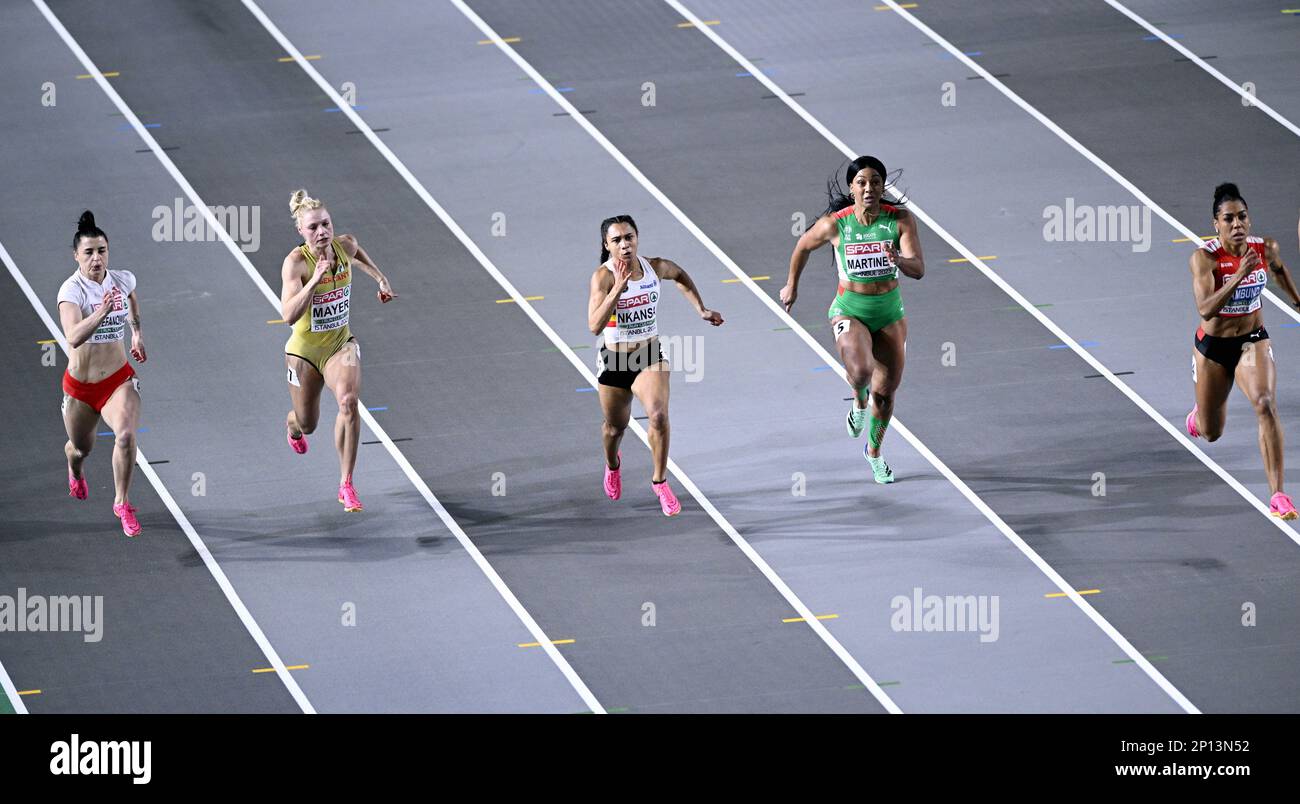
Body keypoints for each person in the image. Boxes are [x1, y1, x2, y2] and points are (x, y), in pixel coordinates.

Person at [781, 156, 925, 483]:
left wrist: (899, 260)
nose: (869, 187)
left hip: (889, 312)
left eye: (875, 181)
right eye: (862, 182)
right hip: (850, 309)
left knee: (887, 393)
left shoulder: (899, 220)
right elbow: (802, 246)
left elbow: (919, 269)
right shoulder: (837, 223)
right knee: (860, 371)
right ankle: (859, 401)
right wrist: (792, 285)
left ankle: (873, 452)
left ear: (883, 186)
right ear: (852, 187)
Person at [587, 214, 723, 516]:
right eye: (617, 240)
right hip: (614, 361)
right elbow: (594, 325)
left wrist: (700, 308)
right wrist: (617, 290)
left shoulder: (654, 267)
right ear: (606, 246)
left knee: (659, 416)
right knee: (614, 428)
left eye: (629, 237)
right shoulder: (603, 277)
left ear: (637, 239)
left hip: (649, 355)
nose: (625, 245)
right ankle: (612, 465)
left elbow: (680, 276)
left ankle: (659, 482)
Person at [1186, 183, 1300, 519]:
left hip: (1253, 339)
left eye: (1242, 217)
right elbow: (1205, 308)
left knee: (1265, 403)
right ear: (1216, 224)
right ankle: (1199, 413)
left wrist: (1297, 300)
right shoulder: (1203, 258)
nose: (1237, 224)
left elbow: (1279, 271)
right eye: (1229, 219)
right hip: (1213, 348)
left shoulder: (1264, 248)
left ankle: (1278, 494)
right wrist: (1237, 276)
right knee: (1211, 433)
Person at [280, 189, 396, 512]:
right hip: (303, 354)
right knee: (308, 424)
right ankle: (292, 426)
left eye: (325, 224)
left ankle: (346, 484)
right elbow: (288, 314)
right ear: (301, 232)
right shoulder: (296, 264)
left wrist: (380, 279)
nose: (322, 232)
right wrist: (314, 280)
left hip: (339, 344)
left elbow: (357, 252)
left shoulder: (343, 245)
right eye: (313, 227)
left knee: (348, 402)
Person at [57, 211, 147, 536]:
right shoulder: (72, 291)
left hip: (117, 381)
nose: (97, 258)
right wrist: (103, 310)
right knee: (81, 448)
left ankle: (121, 502)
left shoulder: (122, 280)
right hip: (81, 389)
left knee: (125, 436)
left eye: (102, 250)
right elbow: (73, 336)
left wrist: (136, 334)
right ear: (76, 256)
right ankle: (75, 466)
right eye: (89, 252)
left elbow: (133, 302)